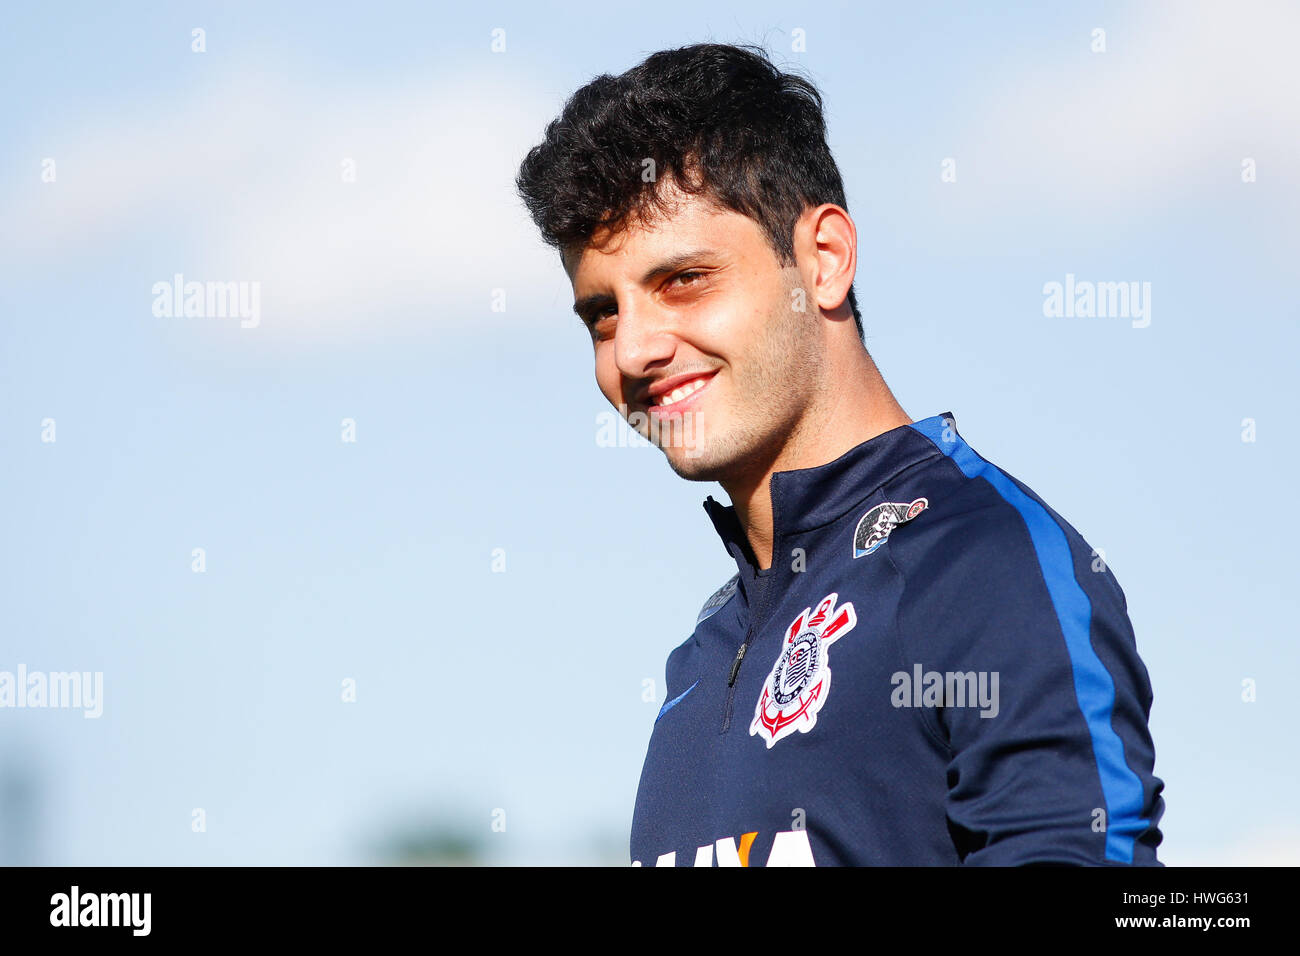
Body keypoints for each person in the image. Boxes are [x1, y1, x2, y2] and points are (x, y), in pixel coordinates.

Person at [515, 42, 1165, 866]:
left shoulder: (981, 564)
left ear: (823, 261)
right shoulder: (699, 659)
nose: (635, 348)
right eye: (602, 314)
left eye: (683, 280)